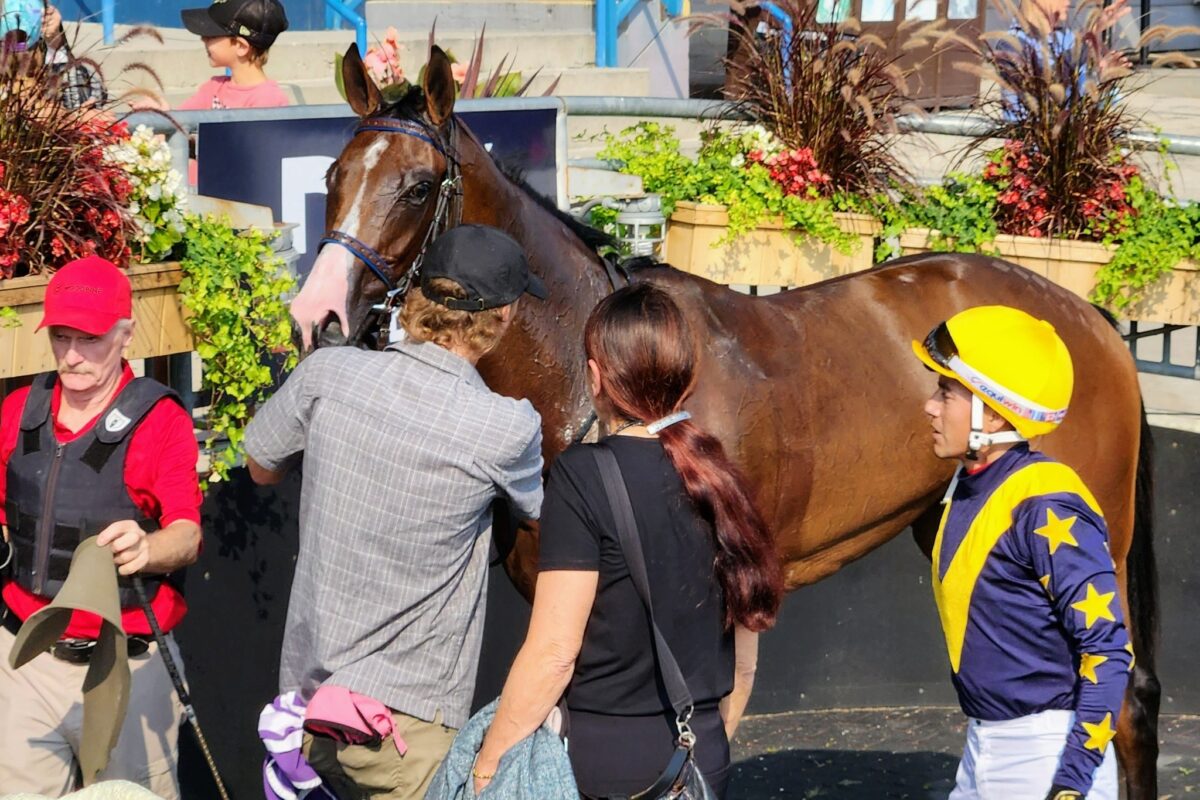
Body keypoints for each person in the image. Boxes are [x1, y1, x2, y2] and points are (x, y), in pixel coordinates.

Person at [243, 224, 547, 800]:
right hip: (406, 729)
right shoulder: (507, 427)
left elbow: (260, 465)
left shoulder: (328, 374)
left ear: (415, 297)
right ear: (503, 317)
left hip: (307, 711)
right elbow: (535, 512)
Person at [473, 283, 784, 799]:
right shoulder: (719, 476)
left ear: (595, 377)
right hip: (700, 756)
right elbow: (745, 655)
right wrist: (709, 744)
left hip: (608, 766)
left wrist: (488, 763)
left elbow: (553, 652)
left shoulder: (582, 476)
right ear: (686, 378)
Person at [0, 255, 204, 797]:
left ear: (125, 335)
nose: (72, 356)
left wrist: (148, 546)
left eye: (89, 339)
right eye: (60, 337)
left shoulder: (161, 420)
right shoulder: (20, 409)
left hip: (125, 670)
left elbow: (186, 533)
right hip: (27, 663)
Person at [912, 305, 1132, 800]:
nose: (929, 406)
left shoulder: (1046, 503)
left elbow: (1107, 648)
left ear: (990, 411)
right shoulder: (971, 484)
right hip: (983, 748)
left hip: (1048, 759)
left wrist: (1071, 783)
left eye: (945, 393)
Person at [177, 0, 290, 110]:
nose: (203, 39)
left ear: (241, 46)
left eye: (211, 35)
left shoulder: (269, 101)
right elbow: (176, 122)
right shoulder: (213, 88)